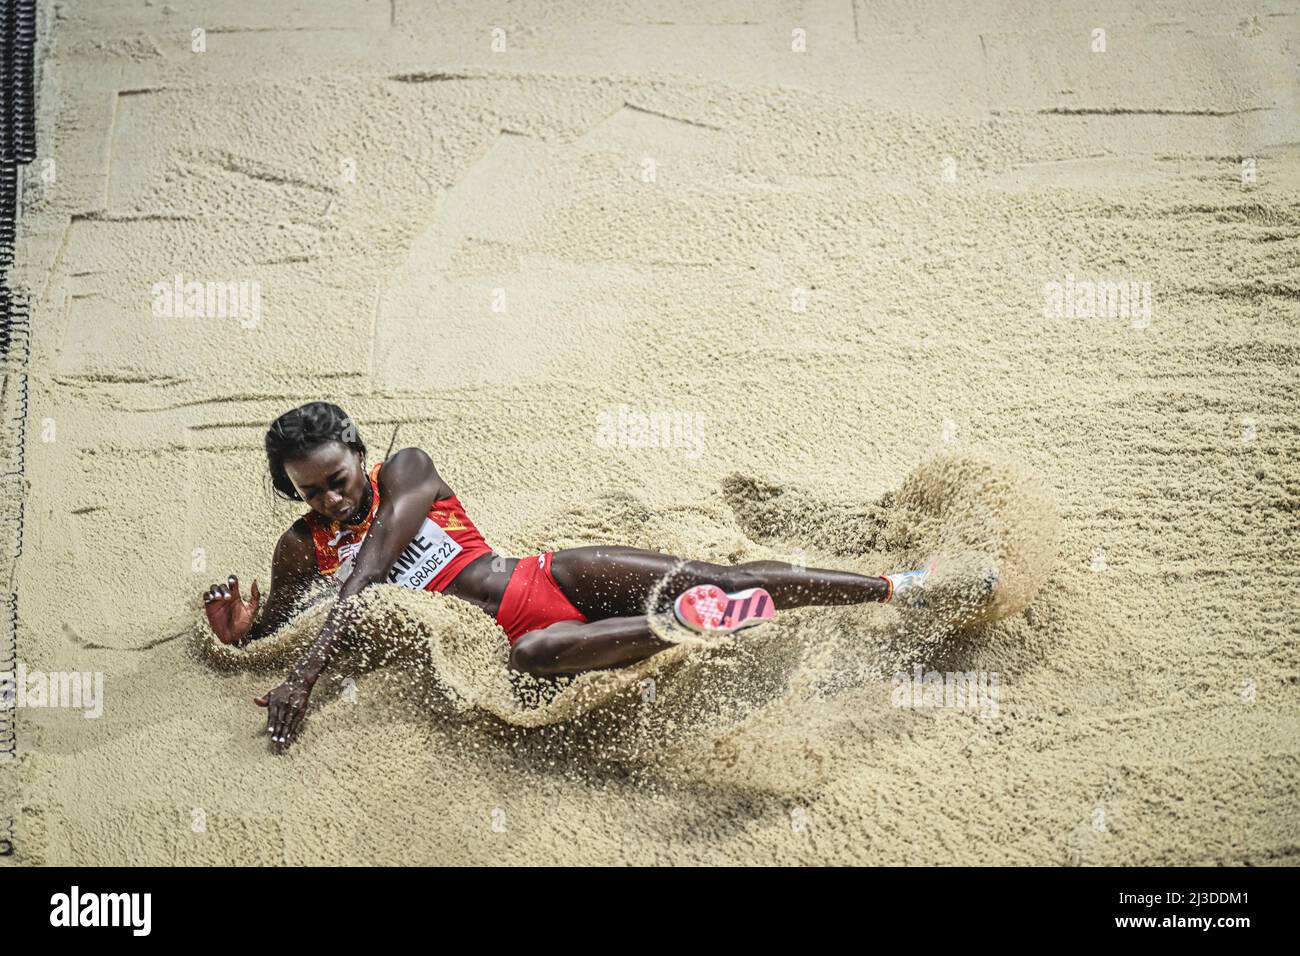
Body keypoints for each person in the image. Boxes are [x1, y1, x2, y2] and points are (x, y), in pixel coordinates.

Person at [202, 402, 937, 751]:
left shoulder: (407, 471)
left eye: (336, 479)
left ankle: (893, 585)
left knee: (718, 573)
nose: (331, 500)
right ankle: (686, 621)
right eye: (311, 493)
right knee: (530, 656)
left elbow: (370, 564)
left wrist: (306, 675)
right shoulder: (302, 549)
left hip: (546, 576)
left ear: (360, 454)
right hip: (517, 636)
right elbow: (288, 622)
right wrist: (244, 636)